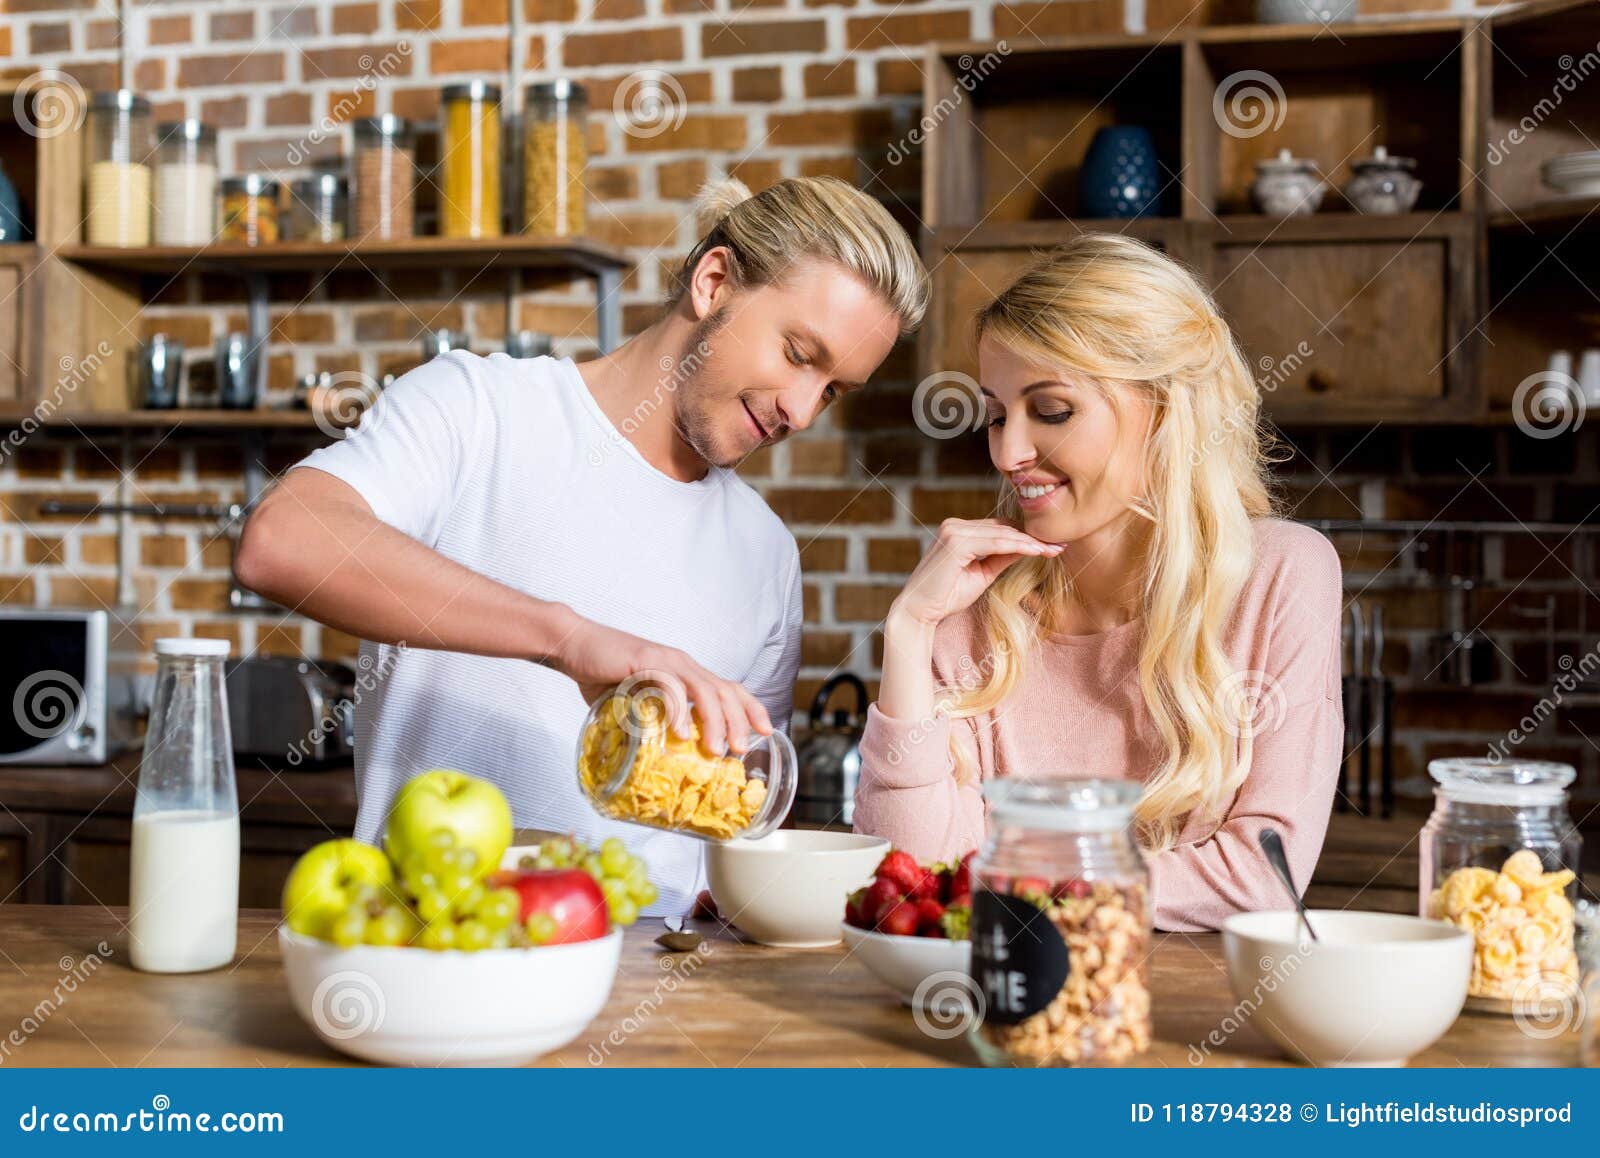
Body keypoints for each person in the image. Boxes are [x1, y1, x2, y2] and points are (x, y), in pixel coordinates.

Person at [236, 176, 929, 915]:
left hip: (653, 989)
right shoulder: (480, 410)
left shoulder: (766, 552)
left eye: (832, 391)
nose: (800, 409)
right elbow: (282, 542)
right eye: (797, 353)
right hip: (432, 954)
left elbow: (741, 818)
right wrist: (569, 640)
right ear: (714, 281)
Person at [852, 235, 1343, 932]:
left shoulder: (1281, 575)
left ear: (1165, 411)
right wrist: (908, 633)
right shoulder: (972, 605)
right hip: (1002, 1011)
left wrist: (1006, 876)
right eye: (996, 415)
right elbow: (914, 883)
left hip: (1193, 1022)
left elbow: (1263, 875)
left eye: (1050, 410)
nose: (1009, 451)